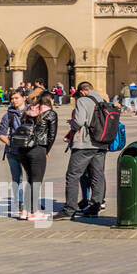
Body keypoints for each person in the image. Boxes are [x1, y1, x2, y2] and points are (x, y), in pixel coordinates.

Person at [53, 82, 109, 221]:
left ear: (83, 92)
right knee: (97, 176)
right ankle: (94, 208)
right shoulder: (103, 100)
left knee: (72, 175)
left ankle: (69, 209)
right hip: (101, 144)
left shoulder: (83, 101)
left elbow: (79, 121)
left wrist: (71, 123)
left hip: (84, 144)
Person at [17, 92, 59, 221]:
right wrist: (47, 150)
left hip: (23, 148)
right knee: (36, 181)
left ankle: (25, 210)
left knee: (30, 179)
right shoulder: (50, 113)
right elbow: (51, 135)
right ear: (49, 100)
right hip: (38, 148)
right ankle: (34, 212)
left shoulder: (29, 110)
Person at [0, 88, 31, 217]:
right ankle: (21, 203)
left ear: (24, 98)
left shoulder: (32, 112)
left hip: (29, 150)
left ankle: (32, 202)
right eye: (12, 98)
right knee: (17, 179)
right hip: (13, 152)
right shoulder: (8, 115)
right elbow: (0, 133)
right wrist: (12, 144)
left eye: (16, 98)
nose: (14, 100)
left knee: (32, 178)